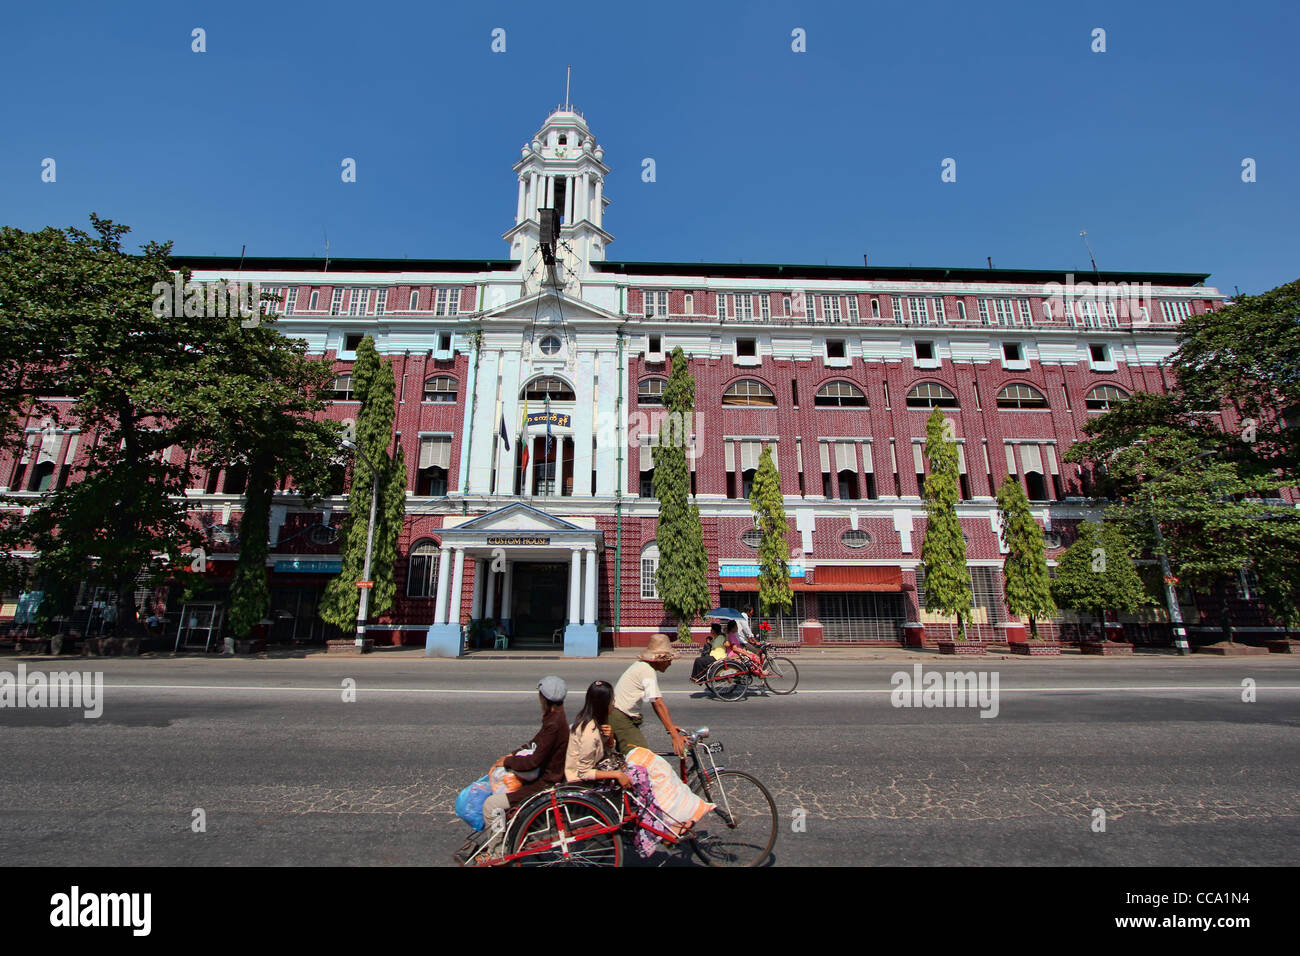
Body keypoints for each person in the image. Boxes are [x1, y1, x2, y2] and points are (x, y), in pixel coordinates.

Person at [476, 676, 570, 853]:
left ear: (543, 698)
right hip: (545, 777)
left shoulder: (553, 725)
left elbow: (533, 761)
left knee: (491, 805)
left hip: (544, 783)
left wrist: (509, 762)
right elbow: (534, 743)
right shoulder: (556, 718)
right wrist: (512, 753)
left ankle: (497, 853)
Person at [610, 634, 685, 757]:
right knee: (640, 756)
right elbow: (657, 703)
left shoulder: (642, 667)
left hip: (622, 715)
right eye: (669, 660)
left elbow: (650, 699)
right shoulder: (647, 671)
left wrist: (670, 727)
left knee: (633, 757)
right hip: (620, 716)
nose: (670, 663)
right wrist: (673, 734)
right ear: (660, 659)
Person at [565, 681, 632, 789]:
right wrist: (617, 774)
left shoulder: (598, 722)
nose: (613, 704)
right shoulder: (589, 731)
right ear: (603, 705)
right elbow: (584, 773)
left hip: (596, 770)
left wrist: (610, 738)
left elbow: (603, 752)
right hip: (580, 782)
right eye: (612, 700)